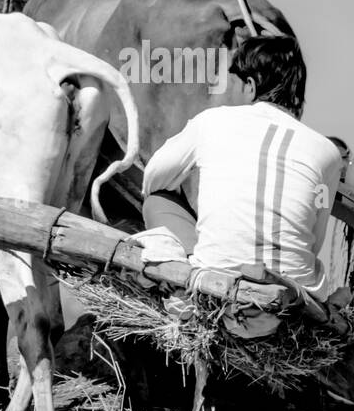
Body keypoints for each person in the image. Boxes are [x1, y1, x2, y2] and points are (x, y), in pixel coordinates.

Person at [142, 34, 343, 301]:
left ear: (249, 85)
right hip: (296, 296)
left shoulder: (211, 122)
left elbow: (153, 177)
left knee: (156, 201)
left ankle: (193, 266)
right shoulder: (328, 152)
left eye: (232, 83)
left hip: (219, 286)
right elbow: (315, 241)